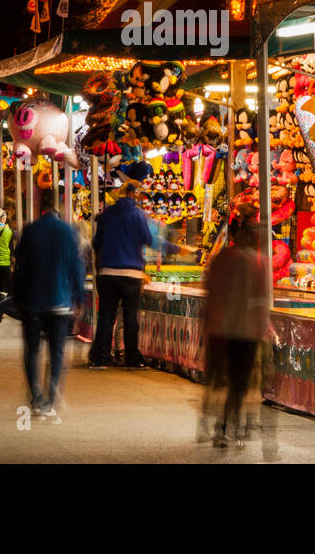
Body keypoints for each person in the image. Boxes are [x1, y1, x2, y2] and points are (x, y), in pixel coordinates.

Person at [88, 182, 186, 369]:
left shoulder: (107, 215)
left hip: (107, 273)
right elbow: (150, 240)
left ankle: (101, 358)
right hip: (131, 274)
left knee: (107, 316)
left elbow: (97, 243)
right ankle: (132, 358)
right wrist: (176, 249)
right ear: (133, 195)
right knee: (130, 317)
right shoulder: (138, 215)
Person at [12, 208, 86, 422]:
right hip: (60, 302)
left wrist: (18, 298)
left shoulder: (30, 231)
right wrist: (79, 298)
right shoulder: (68, 232)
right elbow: (76, 267)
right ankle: (50, 400)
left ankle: (36, 400)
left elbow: (20, 267)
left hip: (33, 302)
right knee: (56, 354)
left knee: (32, 352)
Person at [201, 219, 269, 448]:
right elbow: (261, 299)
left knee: (219, 378)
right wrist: (262, 329)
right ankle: (231, 421)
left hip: (219, 329)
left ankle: (220, 426)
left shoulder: (220, 259)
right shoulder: (259, 263)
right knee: (239, 381)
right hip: (244, 331)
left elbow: (208, 290)